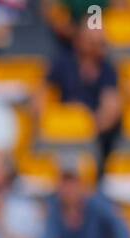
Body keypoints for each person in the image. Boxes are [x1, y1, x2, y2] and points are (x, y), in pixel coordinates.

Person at [43, 24, 121, 165]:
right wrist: (54, 122)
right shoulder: (63, 63)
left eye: (101, 43)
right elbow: (41, 95)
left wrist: (84, 126)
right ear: (79, 40)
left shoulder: (108, 70)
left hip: (91, 137)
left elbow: (110, 109)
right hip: (60, 130)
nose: (96, 47)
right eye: (92, 42)